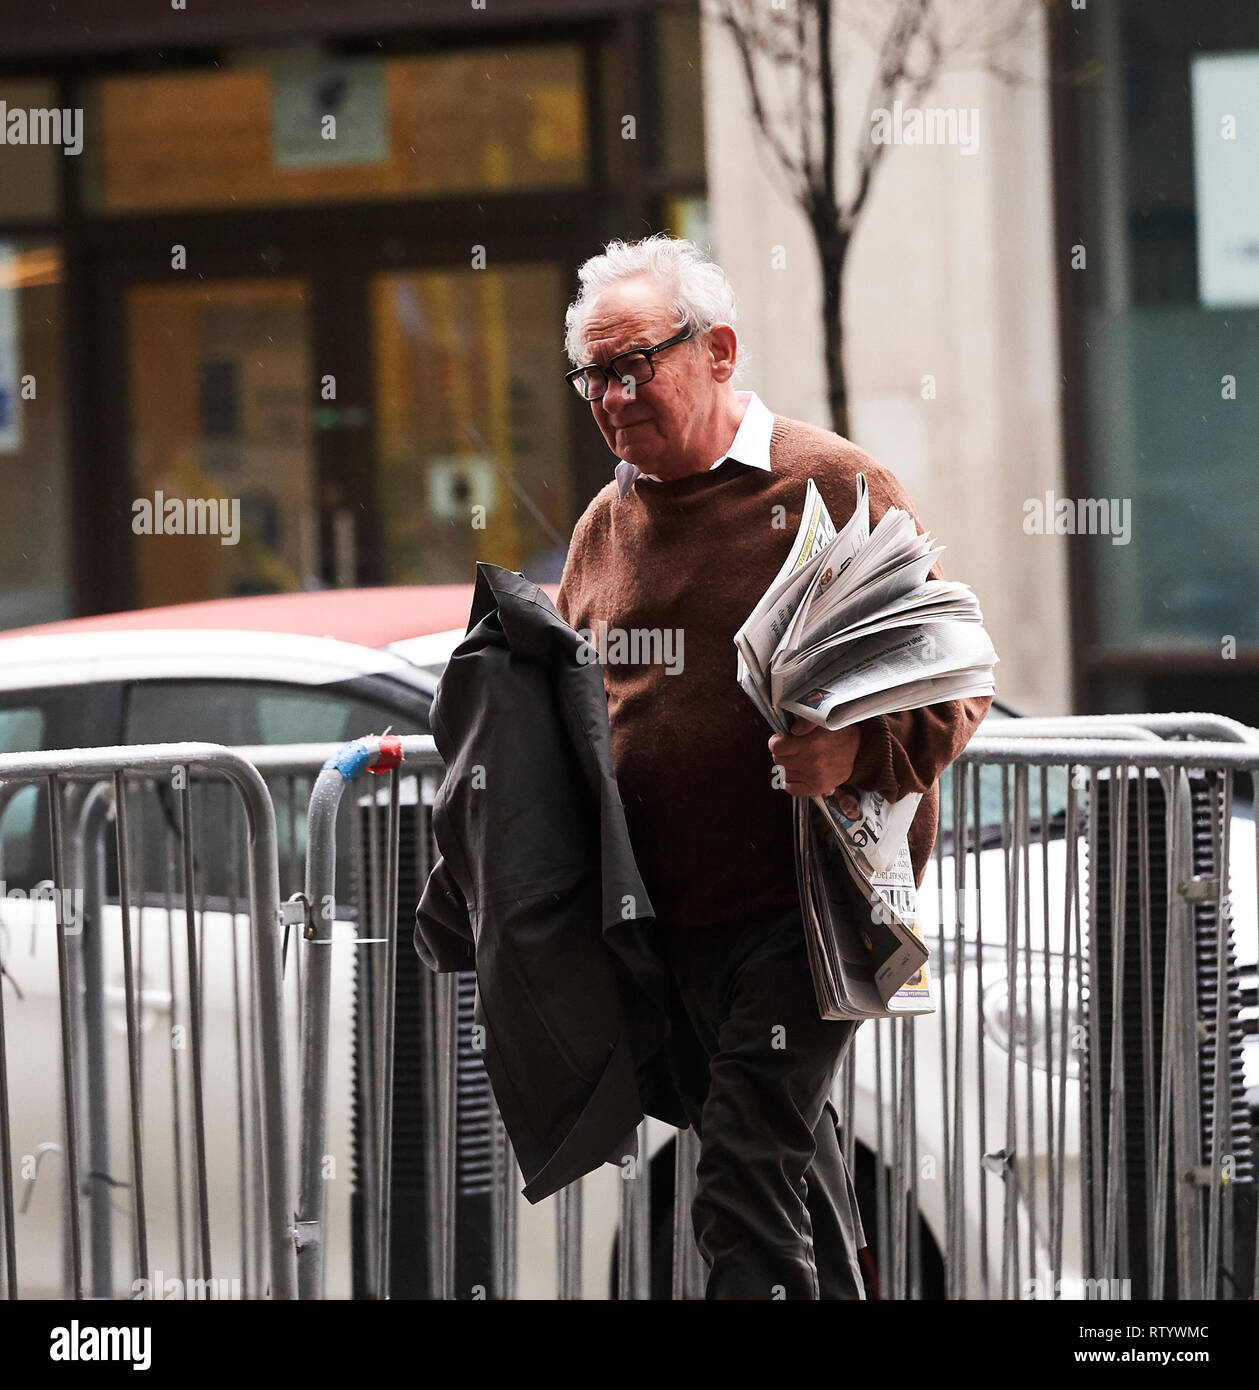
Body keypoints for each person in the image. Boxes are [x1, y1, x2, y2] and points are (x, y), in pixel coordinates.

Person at [555, 234, 992, 1300]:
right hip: (667, 924)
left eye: (632, 366)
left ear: (716, 351)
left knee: (738, 1178)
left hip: (804, 916)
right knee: (789, 1177)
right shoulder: (603, 527)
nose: (611, 399)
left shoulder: (831, 483)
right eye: (590, 378)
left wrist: (856, 750)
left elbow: (959, 679)